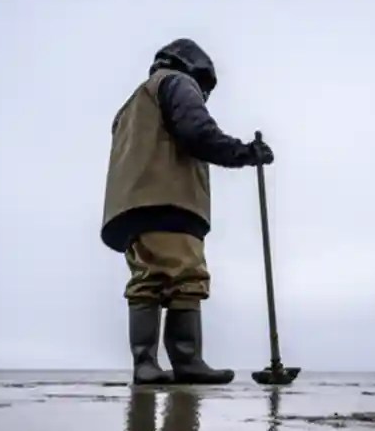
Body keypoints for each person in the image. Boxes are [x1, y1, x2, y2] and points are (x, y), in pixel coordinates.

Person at [101, 38, 274, 385]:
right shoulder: (175, 83)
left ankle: (148, 363)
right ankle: (185, 360)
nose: (203, 94)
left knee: (148, 279)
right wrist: (245, 153)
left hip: (131, 206)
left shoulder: (133, 103)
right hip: (168, 200)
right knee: (185, 279)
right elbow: (198, 133)